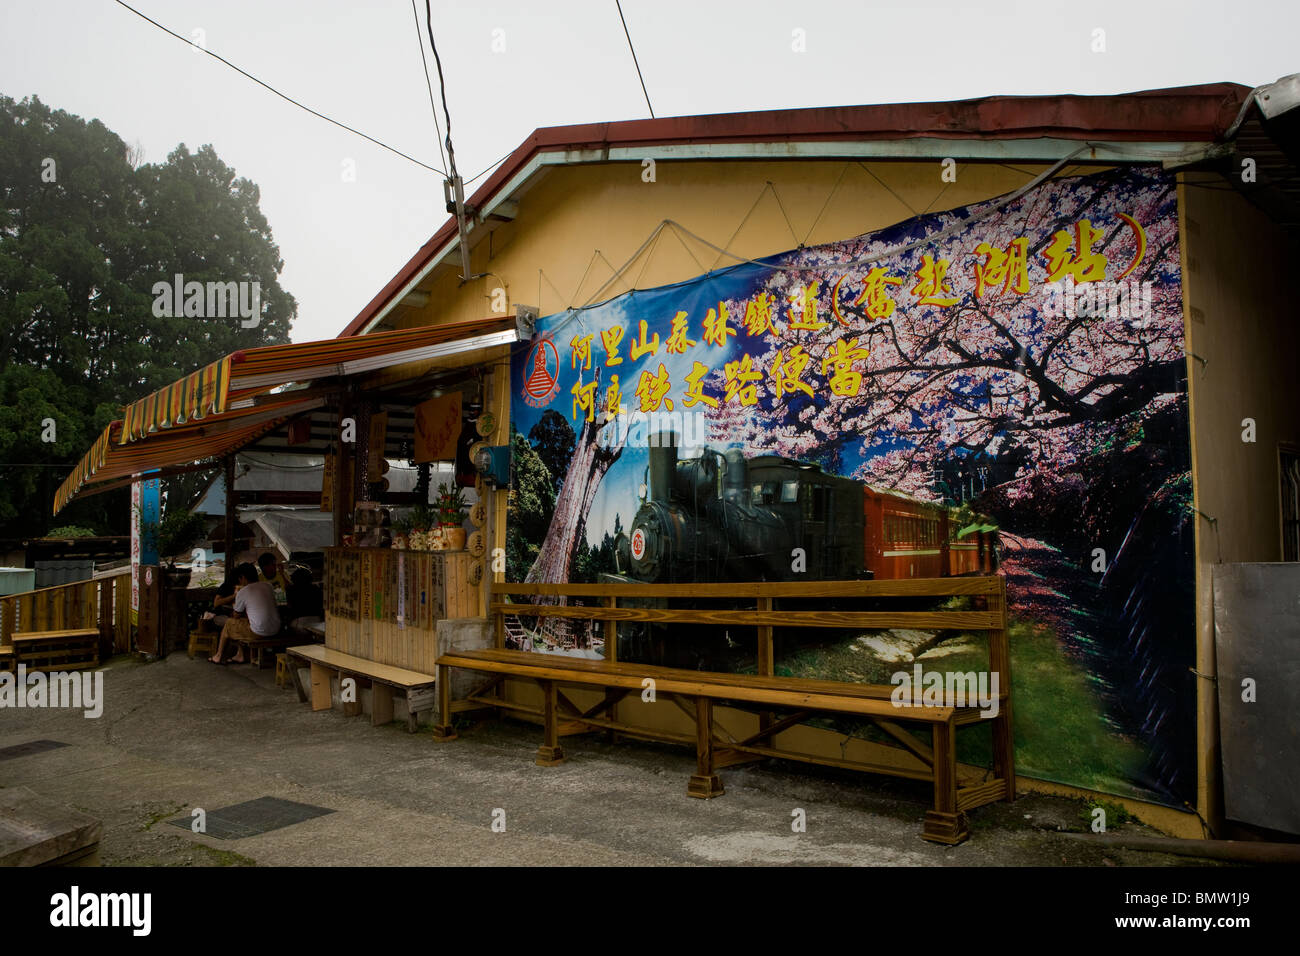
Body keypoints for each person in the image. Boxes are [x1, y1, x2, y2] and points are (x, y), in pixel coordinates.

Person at [209, 563, 280, 664]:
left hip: (258, 632)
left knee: (229, 623)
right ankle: (240, 655)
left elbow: (236, 615)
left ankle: (218, 655)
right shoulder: (268, 586)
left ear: (242, 577)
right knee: (242, 623)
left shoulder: (244, 591)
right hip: (276, 629)